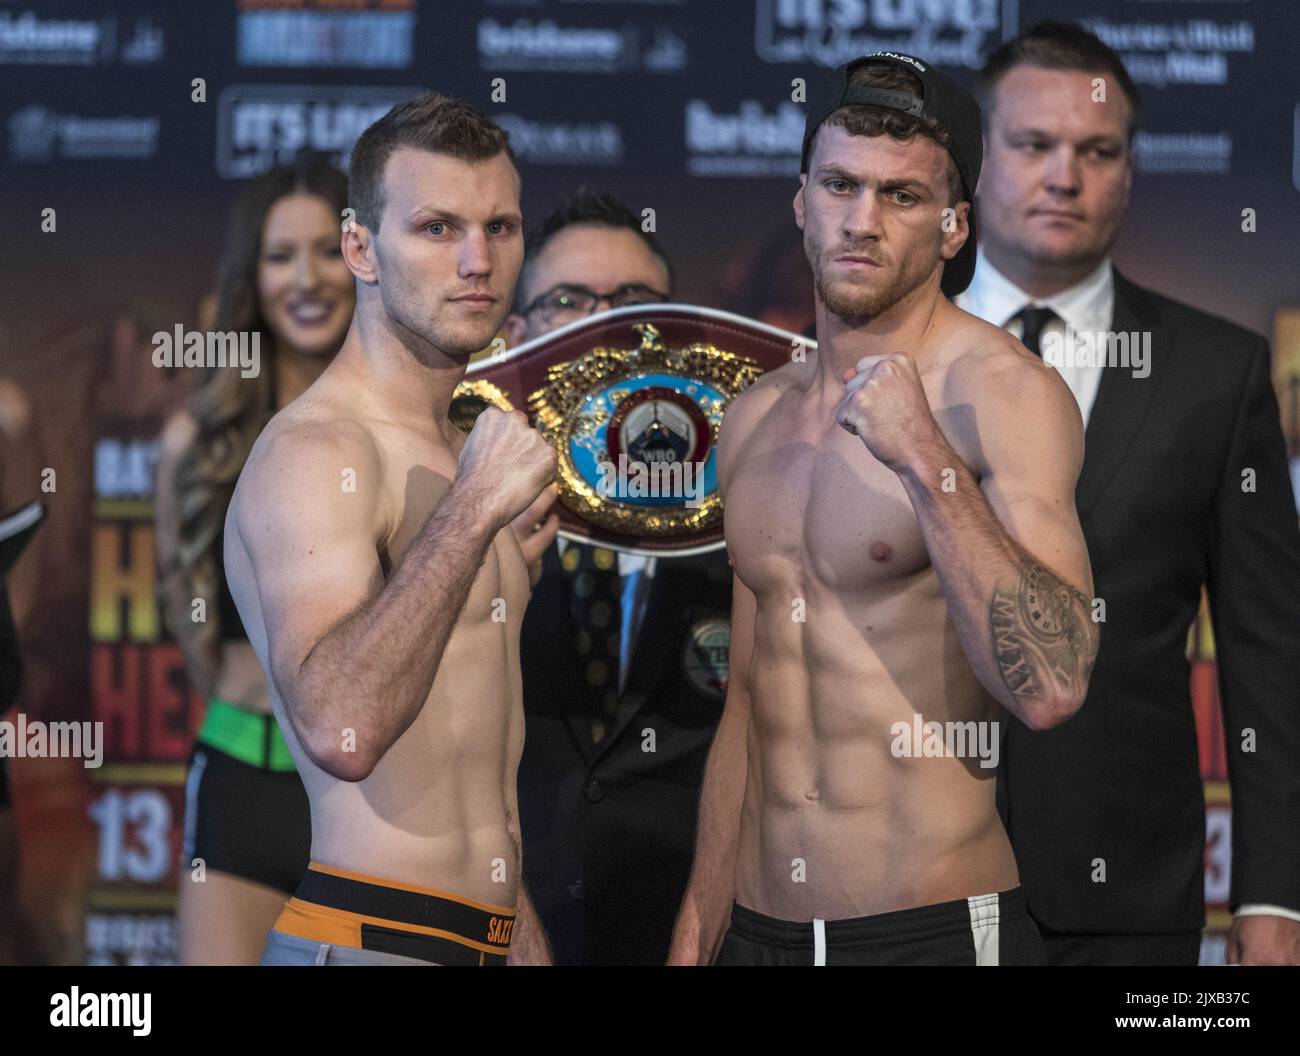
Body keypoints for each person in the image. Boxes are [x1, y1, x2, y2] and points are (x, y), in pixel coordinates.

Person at [670, 52, 1098, 966]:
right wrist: (701, 925)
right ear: (800, 202)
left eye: (901, 197)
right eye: (840, 185)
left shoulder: (1004, 398)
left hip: (929, 933)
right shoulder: (753, 419)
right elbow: (747, 701)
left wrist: (926, 461)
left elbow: (1054, 685)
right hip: (758, 934)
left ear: (953, 229)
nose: (862, 221)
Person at [958, 22, 1300, 966]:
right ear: (977, 160)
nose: (1064, 176)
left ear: (1129, 172)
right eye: (1033, 146)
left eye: (1096, 151)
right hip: (901, 885)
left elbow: (1268, 655)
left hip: (1123, 901)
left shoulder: (1216, 373)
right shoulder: (888, 352)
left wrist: (1275, 895)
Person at [226, 91, 556, 966]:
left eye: (502, 227)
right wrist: (477, 507)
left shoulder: (463, 453)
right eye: (438, 229)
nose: (478, 260)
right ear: (359, 248)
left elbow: (473, 771)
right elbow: (344, 731)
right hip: (372, 936)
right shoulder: (315, 452)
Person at [504, 189, 734, 964]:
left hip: (694, 931)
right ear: (515, 336)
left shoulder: (744, 516)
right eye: (567, 301)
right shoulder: (460, 519)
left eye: (634, 302)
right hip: (506, 924)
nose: (604, 325)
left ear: (677, 337)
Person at [156, 156, 355, 965]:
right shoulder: (195, 448)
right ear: (252, 277)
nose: (305, 279)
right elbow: (196, 640)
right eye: (280, 256)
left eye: (326, 249)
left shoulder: (420, 434)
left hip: (373, 802)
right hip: (241, 784)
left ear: (365, 256)